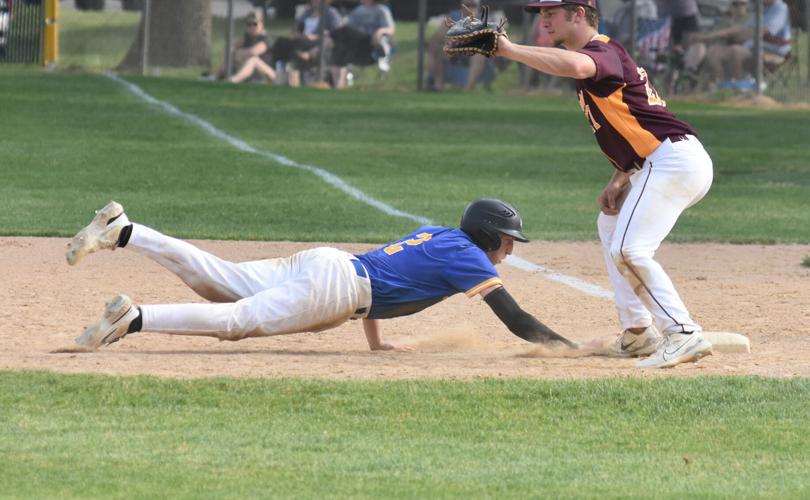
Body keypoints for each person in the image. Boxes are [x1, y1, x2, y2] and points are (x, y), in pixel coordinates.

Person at [494, 0, 714, 369]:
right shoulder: (601, 56)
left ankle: (683, 332)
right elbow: (635, 122)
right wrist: (619, 177)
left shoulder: (601, 52)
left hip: (674, 162)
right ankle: (639, 332)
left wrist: (509, 49)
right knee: (611, 225)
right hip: (661, 162)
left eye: (552, 13)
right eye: (542, 14)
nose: (544, 20)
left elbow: (578, 65)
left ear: (579, 14)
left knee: (630, 249)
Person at [65, 199, 577, 352]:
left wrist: (376, 343)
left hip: (329, 265)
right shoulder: (468, 256)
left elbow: (381, 277)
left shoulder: (441, 235)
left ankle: (125, 230)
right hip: (336, 287)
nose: (510, 250)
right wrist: (570, 349)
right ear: (489, 236)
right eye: (509, 241)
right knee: (236, 319)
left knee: (216, 278)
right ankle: (132, 320)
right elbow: (513, 317)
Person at [698, 0, 792, 91]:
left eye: (742, 4)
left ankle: (740, 89)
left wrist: (743, 34)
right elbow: (742, 29)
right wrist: (709, 37)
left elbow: (764, 31)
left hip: (772, 53)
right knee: (714, 52)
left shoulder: (781, 8)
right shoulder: (761, 8)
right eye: (735, 4)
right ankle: (722, 89)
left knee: (736, 51)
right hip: (751, 49)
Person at [271, 0, 343, 87]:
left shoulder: (331, 13)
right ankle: (278, 72)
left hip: (318, 42)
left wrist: (316, 36)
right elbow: (295, 29)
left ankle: (308, 54)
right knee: (281, 42)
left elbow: (336, 33)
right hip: (302, 41)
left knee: (326, 41)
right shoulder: (307, 13)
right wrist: (300, 35)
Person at [427, 0, 495, 91]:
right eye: (468, 5)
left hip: (476, 55)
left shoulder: (486, 18)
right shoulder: (454, 16)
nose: (470, 7)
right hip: (456, 53)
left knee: (480, 53)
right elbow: (436, 38)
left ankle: (468, 89)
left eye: (473, 5)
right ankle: (437, 86)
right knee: (435, 47)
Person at [330, 0, 395, 87]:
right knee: (342, 38)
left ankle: (328, 38)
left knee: (345, 30)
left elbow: (391, 29)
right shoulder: (358, 10)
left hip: (370, 44)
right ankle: (338, 83)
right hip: (356, 46)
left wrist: (379, 32)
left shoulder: (381, 10)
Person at [211, 11, 276, 84]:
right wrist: (231, 52)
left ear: (262, 24)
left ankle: (233, 80)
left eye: (255, 24)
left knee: (253, 60)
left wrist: (237, 53)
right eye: (249, 24)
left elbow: (254, 52)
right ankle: (214, 77)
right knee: (231, 58)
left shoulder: (266, 39)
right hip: (250, 70)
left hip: (268, 72)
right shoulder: (246, 38)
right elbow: (231, 47)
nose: (252, 27)